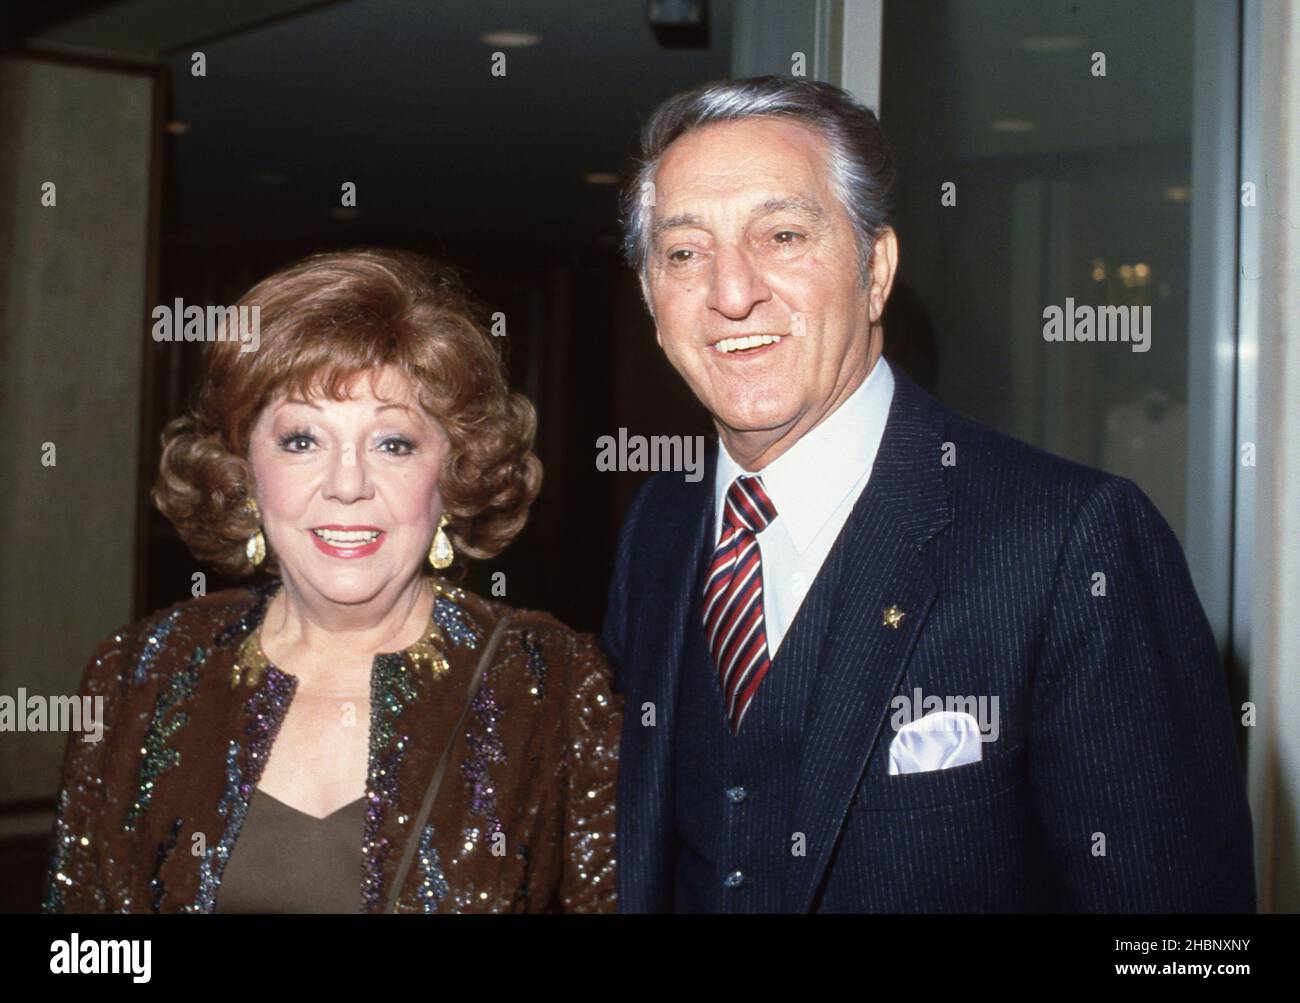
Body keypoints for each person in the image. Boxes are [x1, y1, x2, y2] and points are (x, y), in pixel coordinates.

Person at [603, 76, 1255, 912]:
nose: (732, 293)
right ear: (653, 296)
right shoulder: (660, 527)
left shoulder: (1069, 542)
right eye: (684, 252)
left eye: (784, 235)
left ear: (875, 271)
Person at [43, 249, 619, 913]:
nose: (347, 484)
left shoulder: (550, 687)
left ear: (455, 475)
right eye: (302, 440)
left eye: (393, 443)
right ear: (241, 470)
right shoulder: (139, 673)